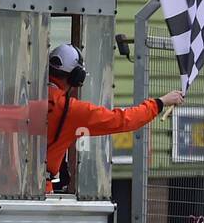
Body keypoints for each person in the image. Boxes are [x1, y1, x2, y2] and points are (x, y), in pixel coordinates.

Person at [44, 44, 182, 192]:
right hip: (41, 189)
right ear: (76, 77)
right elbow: (122, 119)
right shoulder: (71, 110)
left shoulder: (28, 98)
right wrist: (160, 103)